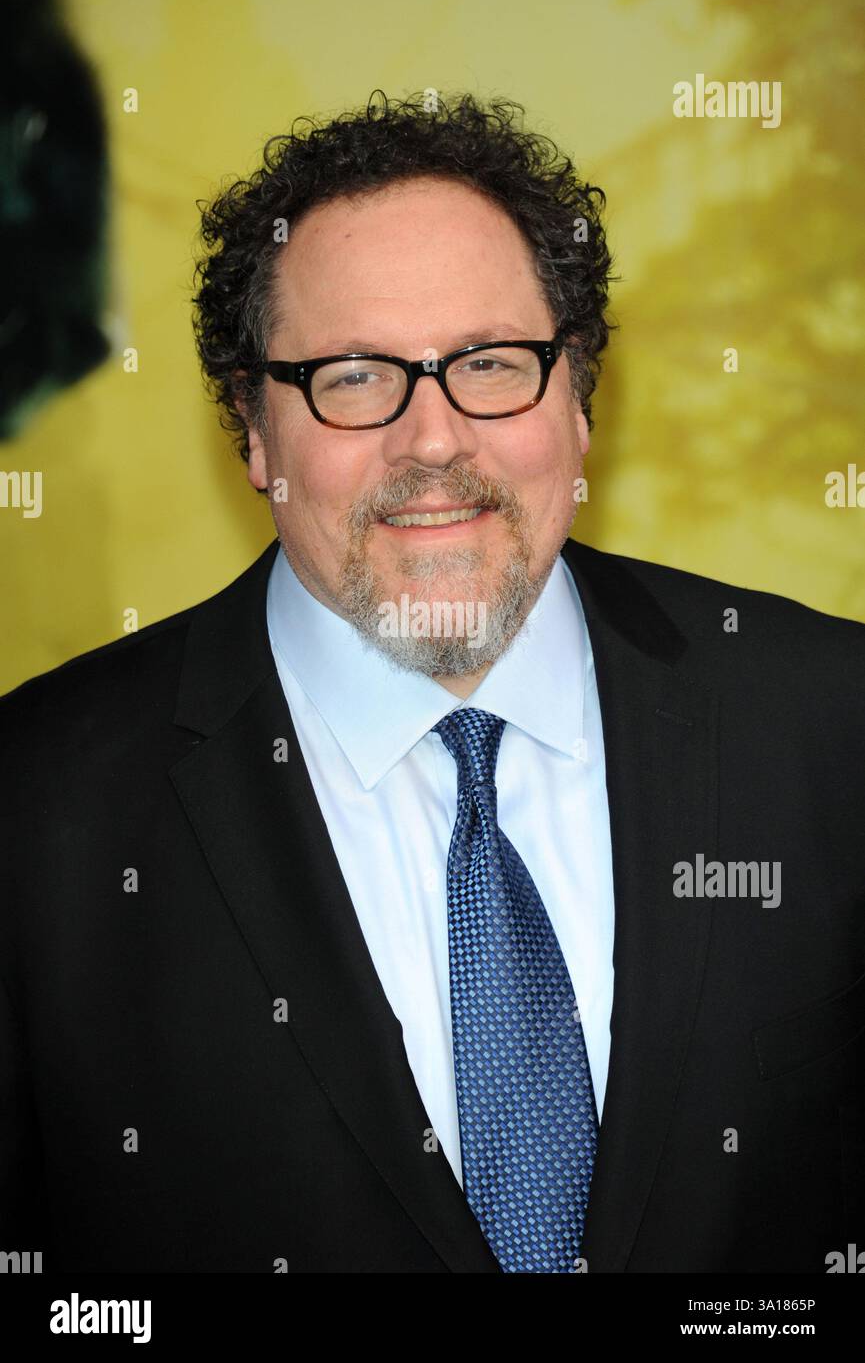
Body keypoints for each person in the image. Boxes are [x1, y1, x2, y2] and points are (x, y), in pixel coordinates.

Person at [1, 91, 863, 1274]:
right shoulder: (35, 811)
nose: (434, 439)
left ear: (580, 398)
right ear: (252, 431)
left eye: (491, 364)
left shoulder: (832, 724)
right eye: (354, 377)